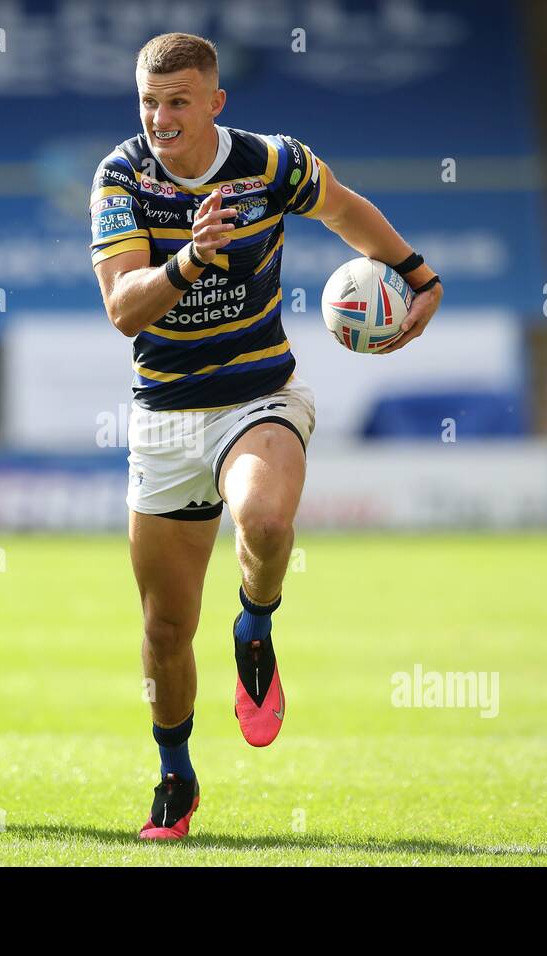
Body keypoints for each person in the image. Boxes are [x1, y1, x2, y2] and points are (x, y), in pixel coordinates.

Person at [89, 34, 443, 839]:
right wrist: (188, 261)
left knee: (266, 521)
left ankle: (256, 622)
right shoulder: (121, 178)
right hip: (166, 416)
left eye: (179, 100)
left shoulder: (272, 163)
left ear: (216, 102)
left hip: (260, 395)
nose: (161, 118)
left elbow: (346, 209)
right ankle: (175, 777)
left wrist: (418, 274)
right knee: (166, 629)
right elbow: (122, 310)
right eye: (149, 101)